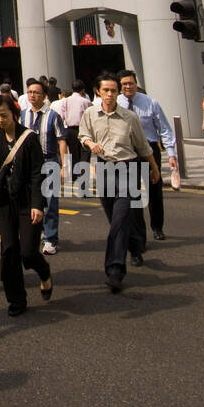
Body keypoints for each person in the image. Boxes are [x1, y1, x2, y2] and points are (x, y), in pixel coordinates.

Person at [79, 73, 160, 293]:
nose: (110, 94)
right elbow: (82, 135)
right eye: (106, 90)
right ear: (98, 91)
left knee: (119, 220)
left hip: (128, 168)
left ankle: (114, 271)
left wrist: (154, 168)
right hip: (105, 168)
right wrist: (90, 143)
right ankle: (135, 247)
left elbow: (143, 147)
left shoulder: (129, 117)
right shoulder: (90, 114)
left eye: (114, 90)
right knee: (115, 219)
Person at [0, 95, 52, 315]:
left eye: (4, 115)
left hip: (27, 200)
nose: (0, 120)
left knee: (28, 252)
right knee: (9, 250)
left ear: (14, 113)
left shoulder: (29, 138)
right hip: (5, 201)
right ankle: (16, 300)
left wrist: (37, 205)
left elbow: (36, 174)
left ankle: (44, 272)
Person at [117, 71, 177, 241]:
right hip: (127, 150)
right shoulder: (116, 103)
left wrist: (171, 154)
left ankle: (157, 227)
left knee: (154, 190)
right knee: (132, 194)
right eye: (124, 84)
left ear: (137, 84)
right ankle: (137, 232)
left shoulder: (151, 103)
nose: (128, 86)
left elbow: (164, 129)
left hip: (149, 149)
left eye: (131, 83)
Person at [20, 80, 68, 257]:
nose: (33, 95)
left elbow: (62, 140)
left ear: (45, 96)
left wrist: (63, 166)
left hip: (50, 162)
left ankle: (50, 238)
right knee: (31, 201)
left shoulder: (53, 115)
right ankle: (36, 232)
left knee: (50, 203)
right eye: (30, 92)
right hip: (29, 164)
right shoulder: (23, 115)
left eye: (37, 93)